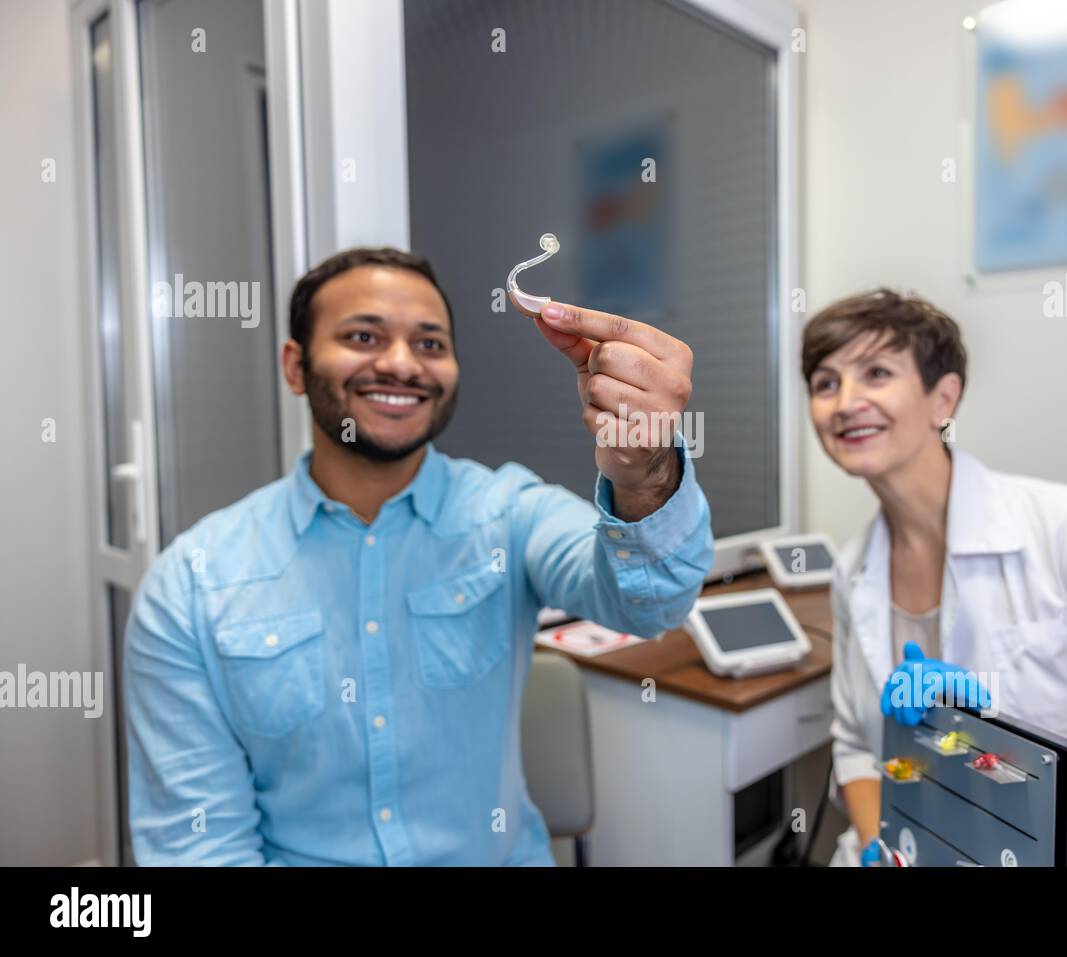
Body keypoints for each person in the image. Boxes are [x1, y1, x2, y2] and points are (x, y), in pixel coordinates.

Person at [125, 247, 713, 865]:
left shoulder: (508, 512)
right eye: (363, 335)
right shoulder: (190, 585)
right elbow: (199, 846)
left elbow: (650, 601)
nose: (403, 364)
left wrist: (644, 469)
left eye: (430, 344)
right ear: (295, 367)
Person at [803, 289, 1067, 866]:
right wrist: (885, 843)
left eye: (876, 373)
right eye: (826, 383)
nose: (846, 402)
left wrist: (987, 752)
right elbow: (857, 748)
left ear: (942, 398)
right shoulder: (852, 569)